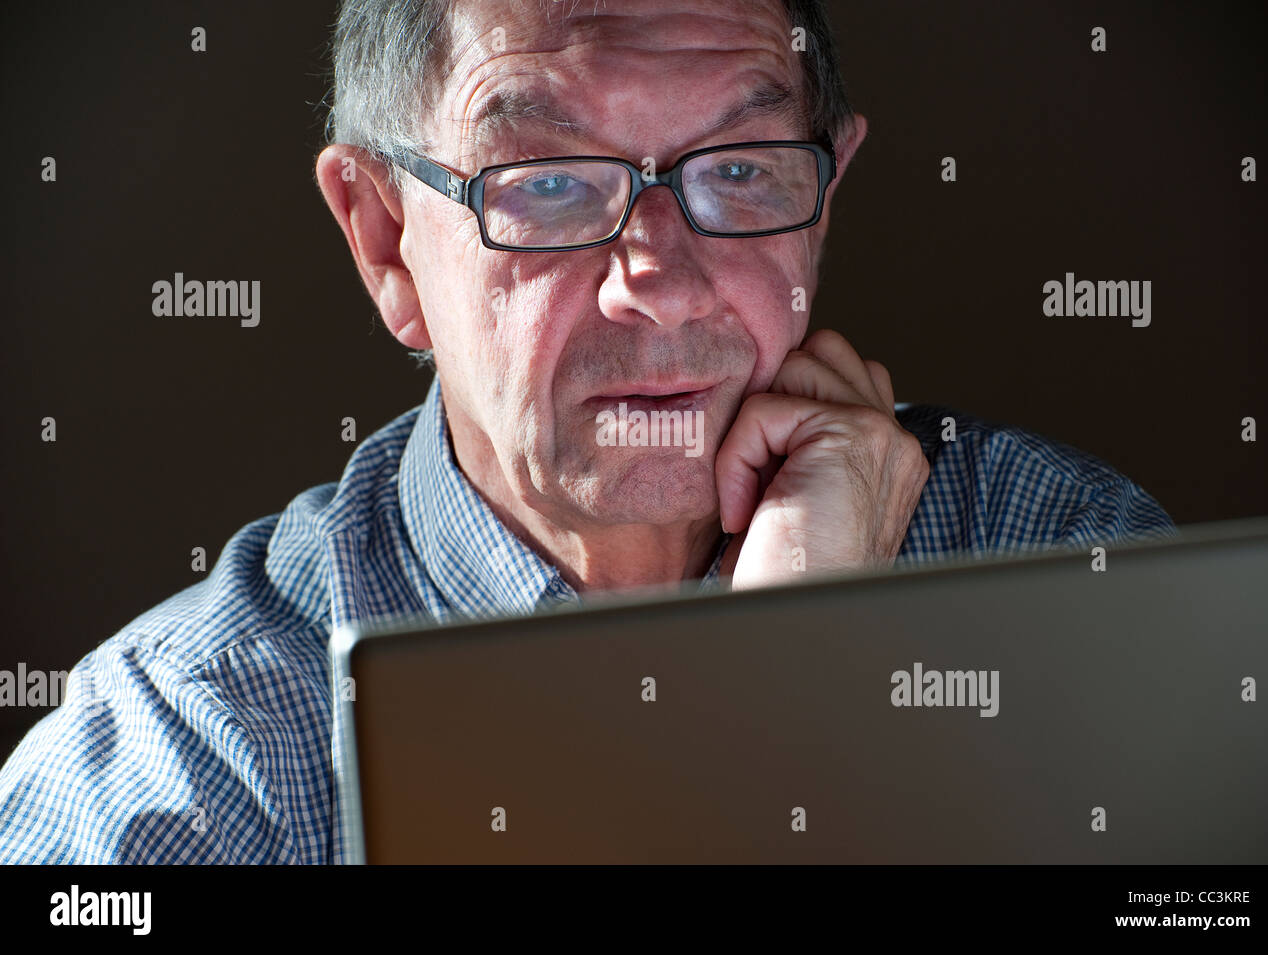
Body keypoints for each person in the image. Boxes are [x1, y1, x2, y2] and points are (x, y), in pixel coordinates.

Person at [0, 0, 1173, 863]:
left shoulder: (1069, 565)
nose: (659, 281)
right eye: (549, 182)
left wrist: (815, 625)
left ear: (824, 203)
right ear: (382, 239)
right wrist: (792, 677)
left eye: (743, 168)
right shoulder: (184, 762)